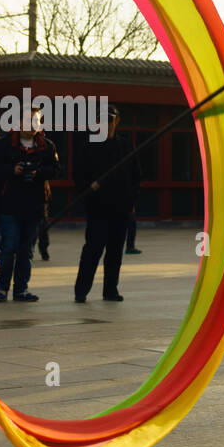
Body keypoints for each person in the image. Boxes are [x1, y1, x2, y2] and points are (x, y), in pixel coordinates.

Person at [0, 111, 59, 303]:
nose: (31, 125)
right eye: (28, 120)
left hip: (35, 205)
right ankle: (2, 288)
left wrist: (38, 172)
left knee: (26, 250)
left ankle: (21, 289)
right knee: (8, 247)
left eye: (35, 121)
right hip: (10, 204)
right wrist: (13, 170)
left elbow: (55, 170)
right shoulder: (5, 145)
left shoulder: (47, 146)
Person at [73, 105, 139, 303]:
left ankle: (110, 290)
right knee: (93, 250)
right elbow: (78, 175)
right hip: (98, 208)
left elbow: (136, 175)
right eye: (102, 120)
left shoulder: (126, 146)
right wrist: (88, 186)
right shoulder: (89, 146)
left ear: (117, 121)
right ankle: (81, 290)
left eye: (110, 120)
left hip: (121, 209)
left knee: (115, 252)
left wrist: (131, 200)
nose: (107, 124)